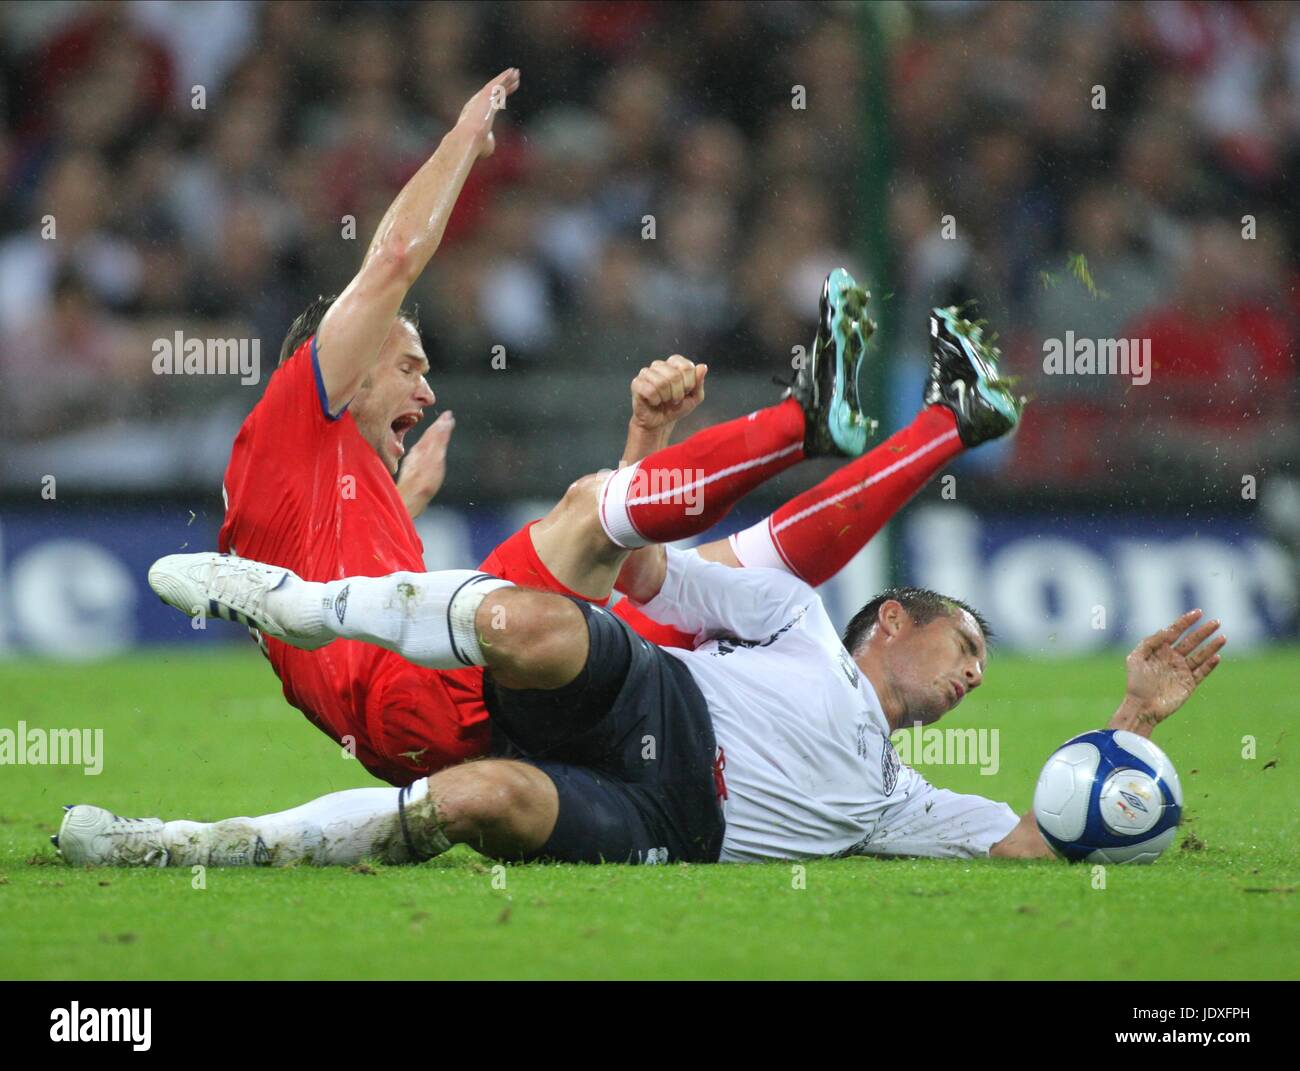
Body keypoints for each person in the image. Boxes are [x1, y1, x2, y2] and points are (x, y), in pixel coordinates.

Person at [52, 312, 1141, 870]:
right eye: (967, 650)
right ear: (892, 619)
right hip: (567, 690)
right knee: (598, 566)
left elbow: (1038, 839)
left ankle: (929, 421)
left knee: (491, 789)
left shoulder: (902, 799)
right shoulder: (791, 632)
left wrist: (1130, 729)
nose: (972, 680)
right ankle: (903, 423)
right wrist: (645, 451)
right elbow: (643, 559)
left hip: (649, 801)